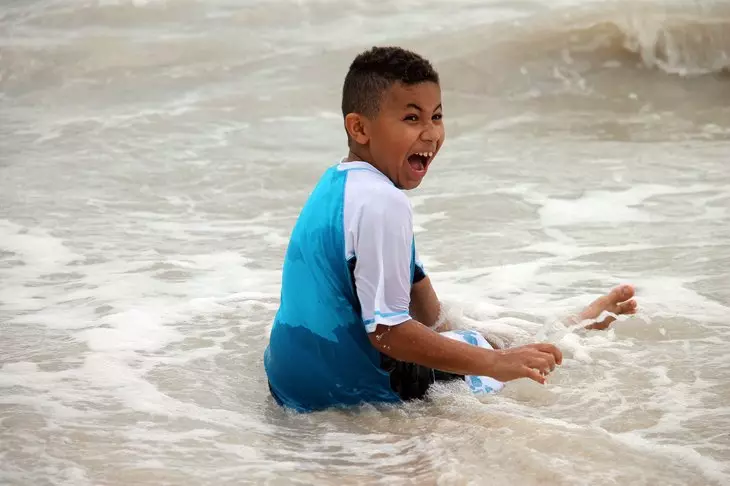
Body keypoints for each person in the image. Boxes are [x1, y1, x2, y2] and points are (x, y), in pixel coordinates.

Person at [263, 46, 638, 412]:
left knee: (467, 335)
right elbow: (389, 333)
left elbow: (427, 312)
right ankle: (570, 334)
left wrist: (478, 338)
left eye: (437, 117)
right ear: (359, 127)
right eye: (412, 119)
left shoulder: (340, 184)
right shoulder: (384, 201)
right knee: (497, 362)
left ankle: (563, 330)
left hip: (288, 377)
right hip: (343, 389)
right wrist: (497, 362)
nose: (430, 134)